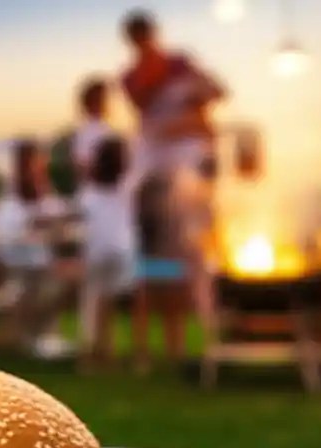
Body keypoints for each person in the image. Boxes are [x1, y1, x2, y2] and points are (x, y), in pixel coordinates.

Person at [120, 10, 224, 366]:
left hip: (191, 183)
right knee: (154, 265)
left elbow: (216, 93)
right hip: (156, 186)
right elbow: (145, 105)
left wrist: (194, 104)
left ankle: (208, 337)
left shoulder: (181, 65)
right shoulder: (134, 78)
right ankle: (151, 349)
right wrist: (186, 121)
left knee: (197, 257)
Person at [0, 139, 77, 359]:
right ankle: (32, 337)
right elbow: (7, 235)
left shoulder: (45, 193)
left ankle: (47, 336)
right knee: (48, 281)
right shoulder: (12, 198)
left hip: (43, 262)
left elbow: (60, 218)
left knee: (70, 277)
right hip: (23, 265)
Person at [79, 136, 138, 371]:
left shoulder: (90, 192)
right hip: (122, 251)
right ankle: (107, 352)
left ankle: (93, 353)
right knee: (109, 305)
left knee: (94, 302)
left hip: (97, 251)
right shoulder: (127, 189)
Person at [71, 78, 113, 184]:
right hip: (95, 190)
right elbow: (82, 166)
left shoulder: (105, 128)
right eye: (104, 98)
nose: (109, 102)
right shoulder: (86, 132)